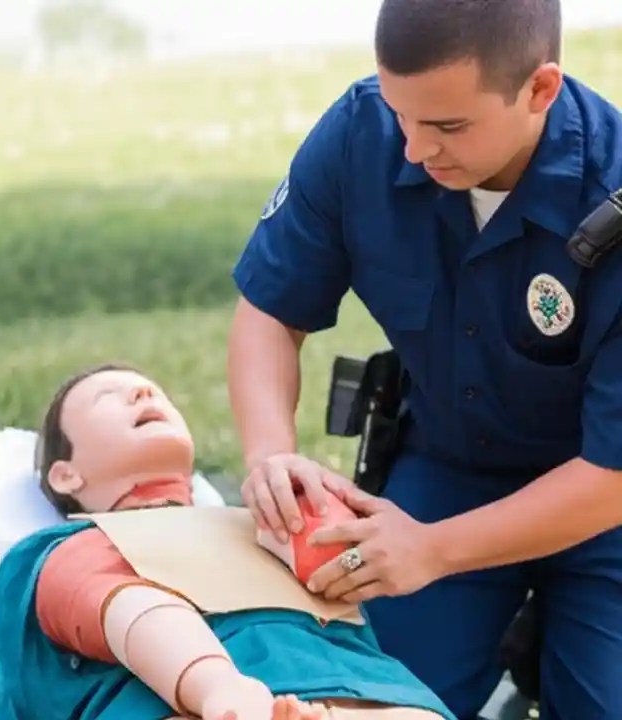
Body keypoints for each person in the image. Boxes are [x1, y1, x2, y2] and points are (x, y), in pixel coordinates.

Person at [228, 1, 622, 718]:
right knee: (369, 699)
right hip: (448, 464)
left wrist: (434, 552)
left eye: (447, 126)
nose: (412, 150)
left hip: (603, 500)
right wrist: (269, 455)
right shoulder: (361, 132)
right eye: (400, 114)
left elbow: (612, 476)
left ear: (540, 89)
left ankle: (541, 640)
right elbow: (270, 310)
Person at [0, 365, 455, 720]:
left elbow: (348, 572)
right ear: (65, 475)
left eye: (153, 391)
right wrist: (220, 688)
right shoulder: (65, 548)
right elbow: (124, 607)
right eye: (106, 398)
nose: (142, 393)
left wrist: (314, 511)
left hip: (368, 695)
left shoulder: (258, 525)